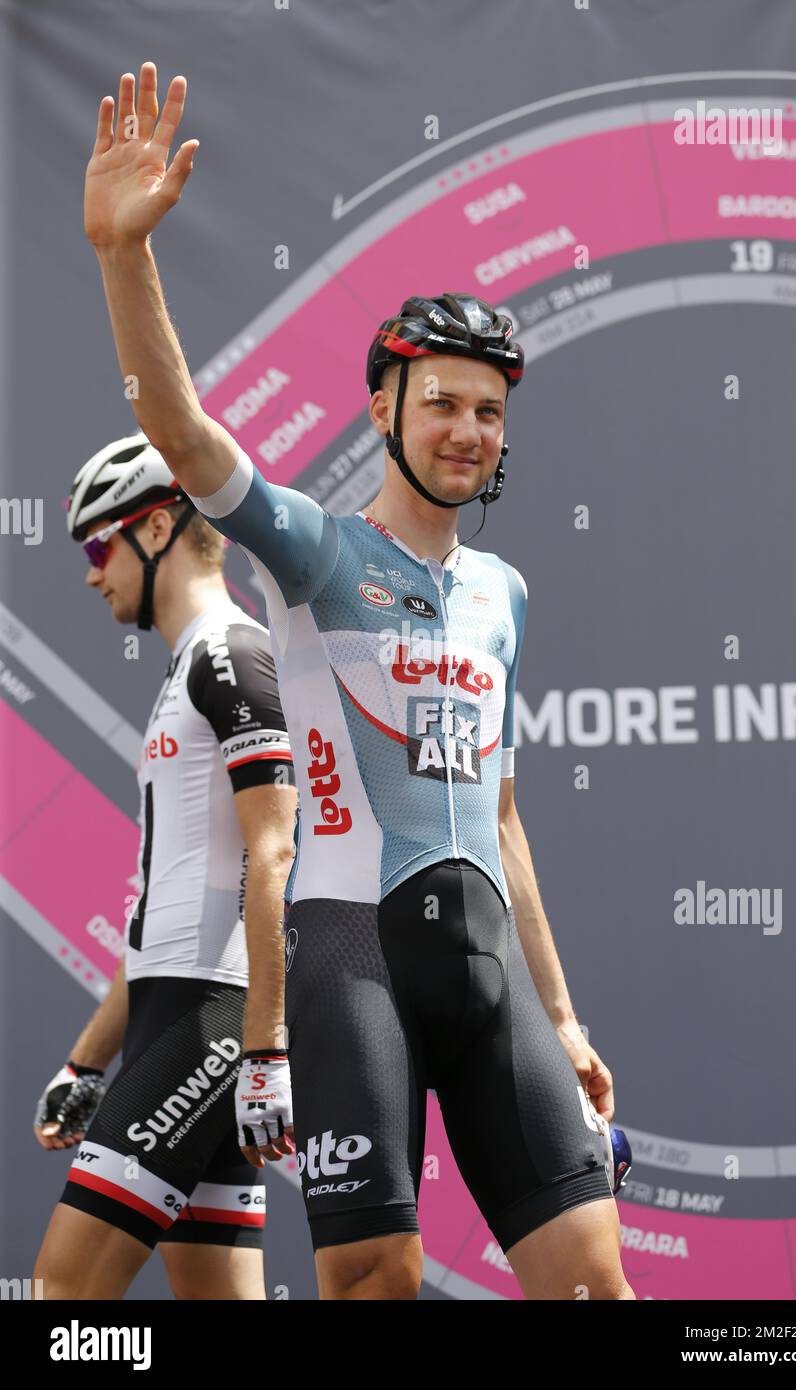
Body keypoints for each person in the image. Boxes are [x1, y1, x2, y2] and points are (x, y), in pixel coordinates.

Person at [81, 61, 635, 1302]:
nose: (467, 432)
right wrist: (126, 255)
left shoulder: (504, 595)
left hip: (489, 970)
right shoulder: (316, 551)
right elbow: (183, 436)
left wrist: (565, 1014)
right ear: (383, 404)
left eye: (489, 413)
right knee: (376, 1280)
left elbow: (498, 818)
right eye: (441, 402)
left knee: (598, 1287)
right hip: (352, 963)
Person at [32, 433, 297, 1299]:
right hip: (177, 1009)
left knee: (66, 1295)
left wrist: (263, 1047)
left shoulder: (231, 653)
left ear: (154, 528)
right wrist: (85, 1062)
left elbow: (277, 852)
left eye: (97, 545)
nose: (89, 571)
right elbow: (162, 912)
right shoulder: (193, 666)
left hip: (211, 1020)